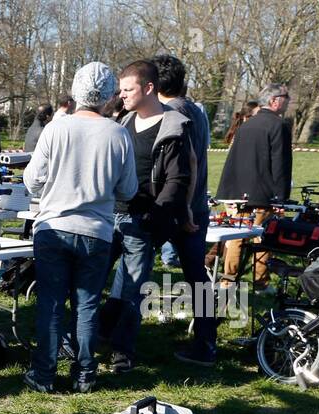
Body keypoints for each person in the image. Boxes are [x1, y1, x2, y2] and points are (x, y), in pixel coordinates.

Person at [21, 62, 137, 395]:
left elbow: (32, 181)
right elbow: (128, 190)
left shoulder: (56, 128)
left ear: (75, 90)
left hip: (53, 227)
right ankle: (85, 374)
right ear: (108, 96)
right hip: (96, 230)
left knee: (52, 304)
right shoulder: (118, 134)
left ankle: (43, 373)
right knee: (86, 306)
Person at [96, 60, 191, 374]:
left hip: (142, 221)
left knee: (134, 290)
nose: (121, 95)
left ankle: (122, 351)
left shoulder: (174, 127)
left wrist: (156, 216)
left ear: (148, 88)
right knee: (96, 281)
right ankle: (91, 336)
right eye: (121, 90)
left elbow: (178, 180)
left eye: (128, 89)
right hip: (109, 217)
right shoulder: (122, 123)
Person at [152, 53, 217, 367]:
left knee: (131, 266)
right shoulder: (197, 110)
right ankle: (206, 340)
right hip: (196, 205)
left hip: (178, 206)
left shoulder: (171, 113)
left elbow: (188, 163)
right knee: (197, 277)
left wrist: (186, 209)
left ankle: (112, 332)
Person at [214, 83, 293, 287]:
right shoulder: (279, 125)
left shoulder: (247, 124)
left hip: (238, 192)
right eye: (286, 97)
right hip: (263, 194)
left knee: (236, 238)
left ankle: (227, 280)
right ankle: (260, 282)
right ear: (274, 100)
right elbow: (280, 164)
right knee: (263, 238)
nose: (288, 101)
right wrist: (281, 198)